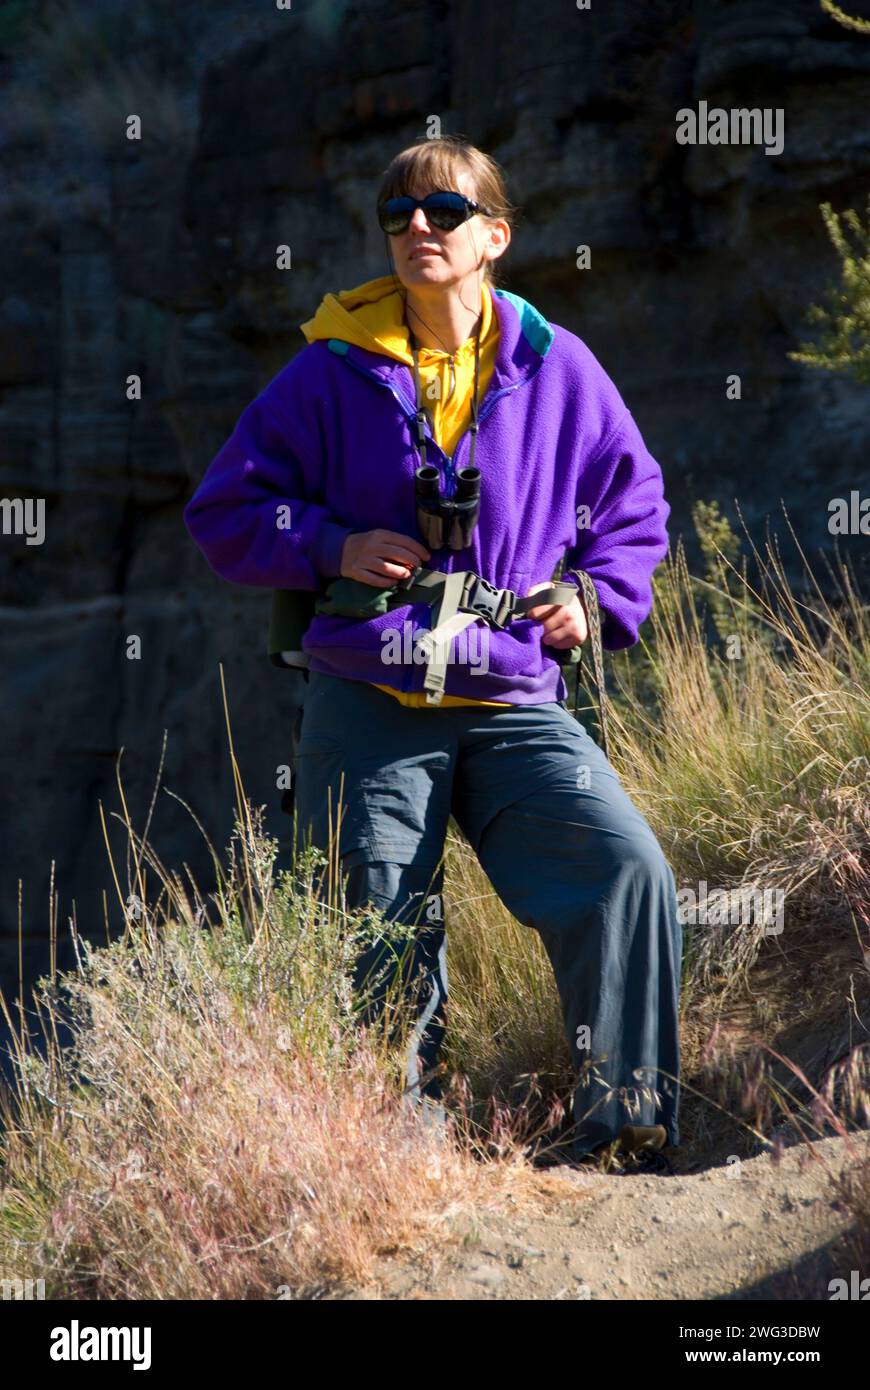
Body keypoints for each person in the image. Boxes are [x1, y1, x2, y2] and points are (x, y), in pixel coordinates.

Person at [183, 135, 682, 1173]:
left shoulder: (557, 368)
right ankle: (393, 1168)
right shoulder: (328, 373)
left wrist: (593, 597)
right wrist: (330, 543)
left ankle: (624, 1125)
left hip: (511, 692)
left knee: (624, 866)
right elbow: (225, 508)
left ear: (494, 235)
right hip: (368, 690)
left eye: (445, 211)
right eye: (398, 210)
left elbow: (633, 504)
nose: (418, 226)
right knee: (371, 932)